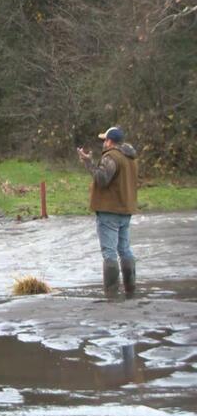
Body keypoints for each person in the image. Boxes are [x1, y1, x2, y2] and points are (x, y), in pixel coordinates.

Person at [77, 126, 138, 298]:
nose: (103, 143)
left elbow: (102, 179)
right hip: (126, 209)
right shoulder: (131, 157)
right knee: (125, 250)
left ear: (110, 141)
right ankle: (130, 289)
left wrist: (88, 162)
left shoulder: (111, 156)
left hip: (109, 211)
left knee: (109, 253)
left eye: (105, 140)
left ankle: (111, 294)